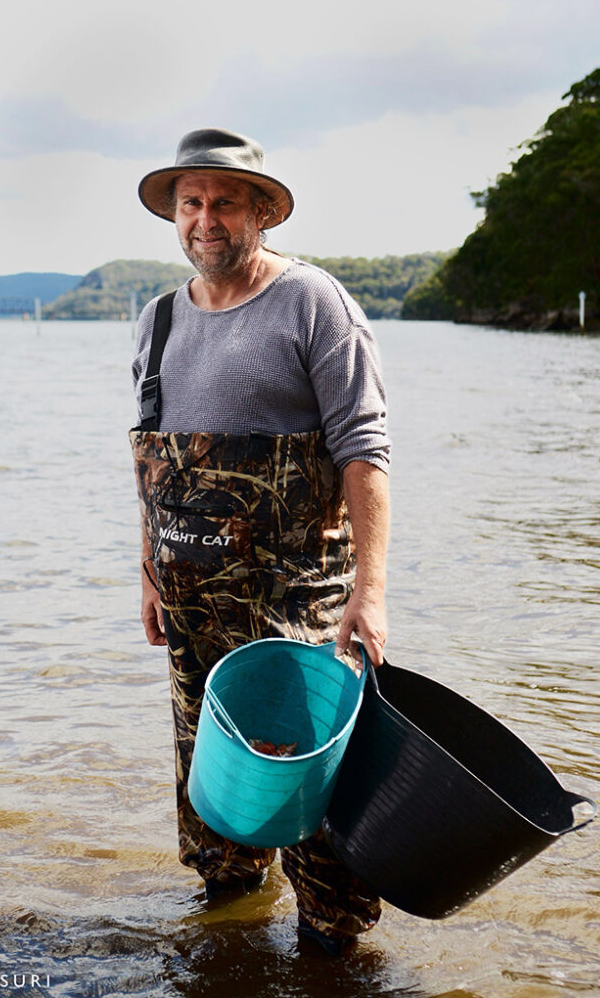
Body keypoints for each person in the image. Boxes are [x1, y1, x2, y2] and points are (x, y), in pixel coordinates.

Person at [130, 128, 390, 955]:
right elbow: (149, 458)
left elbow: (364, 450)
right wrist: (146, 574)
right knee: (217, 795)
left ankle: (333, 952)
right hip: (191, 600)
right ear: (174, 215)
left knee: (310, 793)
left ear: (263, 212)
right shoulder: (158, 319)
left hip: (296, 597)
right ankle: (230, 938)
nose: (205, 219)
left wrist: (371, 591)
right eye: (190, 203)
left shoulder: (314, 302)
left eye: (225, 202)